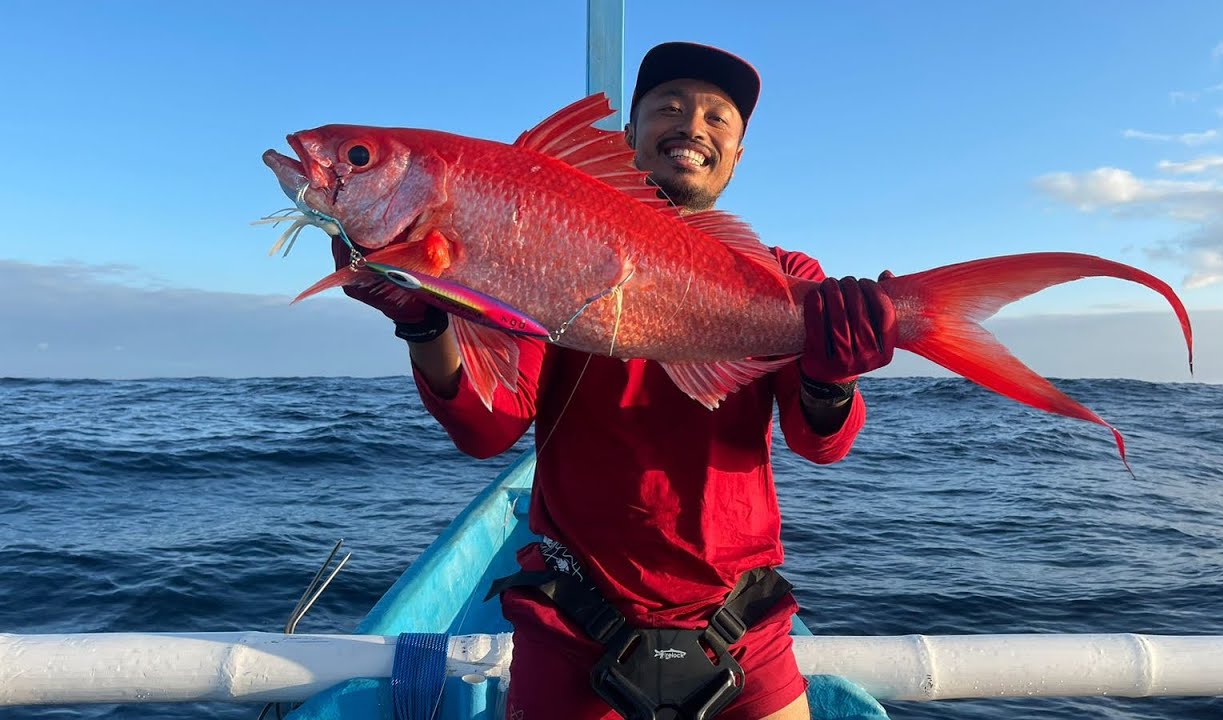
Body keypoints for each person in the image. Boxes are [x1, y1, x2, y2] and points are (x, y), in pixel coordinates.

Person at [334, 42, 897, 720]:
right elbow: (488, 429)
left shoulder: (782, 274)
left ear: (738, 156)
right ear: (629, 137)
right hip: (576, 628)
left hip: (743, 626)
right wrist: (426, 326)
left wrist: (832, 381)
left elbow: (822, 443)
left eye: (719, 118)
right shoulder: (544, 248)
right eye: (670, 107)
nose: (693, 125)